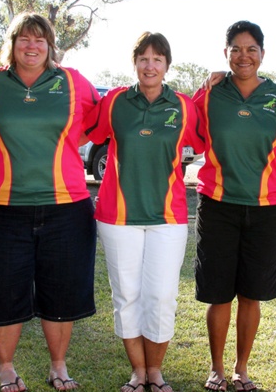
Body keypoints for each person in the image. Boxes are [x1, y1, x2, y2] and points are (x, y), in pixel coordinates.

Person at [0, 12, 100, 392]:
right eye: (23, 38)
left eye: (39, 39)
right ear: (12, 43)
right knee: (3, 288)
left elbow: (99, 117)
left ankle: (59, 365)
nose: (31, 45)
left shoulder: (73, 81)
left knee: (62, 289)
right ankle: (6, 367)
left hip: (67, 207)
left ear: (50, 45)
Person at [84, 32, 205, 392]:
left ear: (167, 65)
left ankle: (156, 370)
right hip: (118, 216)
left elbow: (200, 141)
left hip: (168, 217)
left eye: (157, 59)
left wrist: (213, 83)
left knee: (162, 295)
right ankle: (138, 372)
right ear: (134, 62)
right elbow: (86, 128)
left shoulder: (182, 105)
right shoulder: (116, 101)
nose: (150, 65)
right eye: (143, 58)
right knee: (127, 296)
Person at [193, 20, 276, 392]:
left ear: (263, 54)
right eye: (236, 49)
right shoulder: (209, 93)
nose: (244, 56)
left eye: (251, 49)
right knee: (218, 292)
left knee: (252, 292)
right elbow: (184, 126)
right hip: (218, 203)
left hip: (267, 206)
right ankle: (217, 369)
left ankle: (241, 369)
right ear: (225, 53)